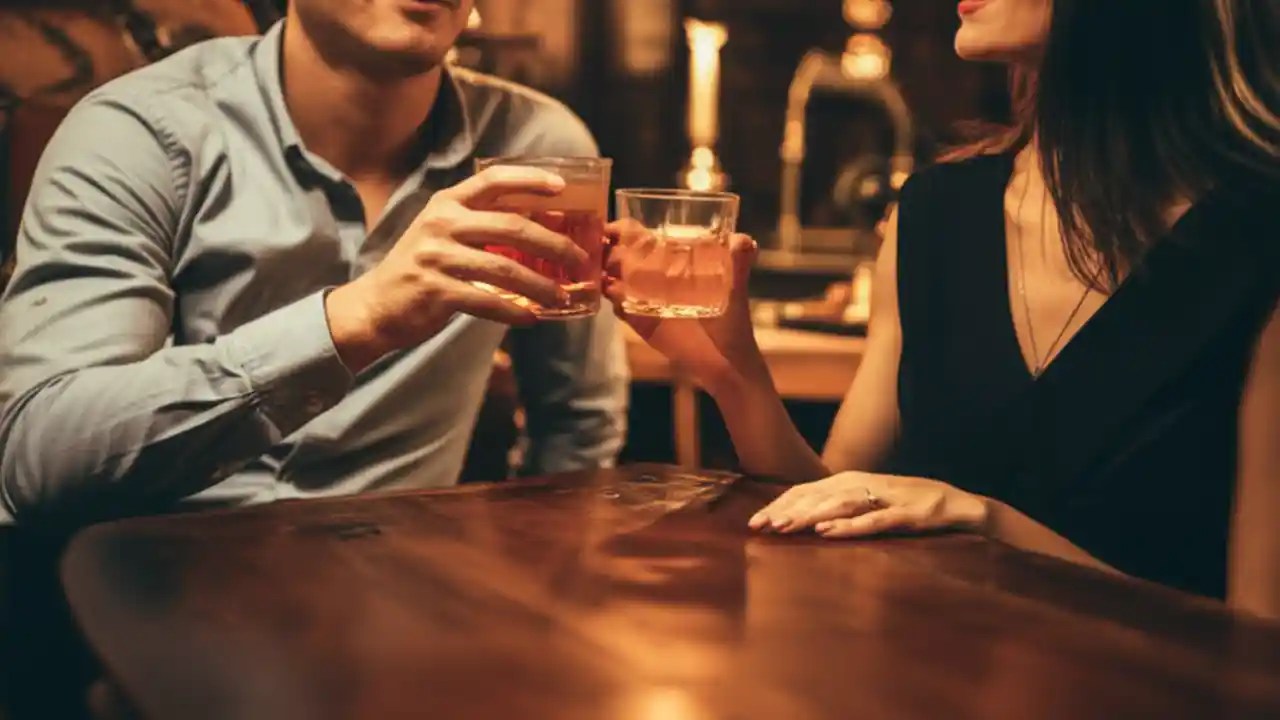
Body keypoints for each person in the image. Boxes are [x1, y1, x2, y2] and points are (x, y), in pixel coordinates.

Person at [608, 0, 1280, 617]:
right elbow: (839, 495)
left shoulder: (1257, 242)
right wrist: (735, 376)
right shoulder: (934, 210)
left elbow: (1258, 640)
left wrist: (988, 524)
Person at [0, 0, 628, 526]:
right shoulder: (145, 131)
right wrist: (352, 322)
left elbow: (577, 422)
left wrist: (531, 579)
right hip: (158, 592)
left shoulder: (538, 152)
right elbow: (39, 459)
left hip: (413, 606)